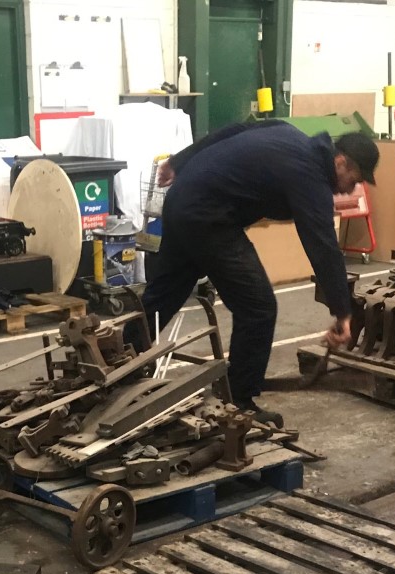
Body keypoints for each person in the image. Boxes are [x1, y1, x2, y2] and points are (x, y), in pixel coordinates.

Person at [141, 121, 379, 424]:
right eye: (354, 179)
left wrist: (180, 161)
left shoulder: (288, 132)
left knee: (166, 293)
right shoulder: (310, 176)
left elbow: (230, 130)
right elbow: (323, 246)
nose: (352, 188)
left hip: (183, 198)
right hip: (208, 216)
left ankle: (119, 364)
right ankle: (239, 401)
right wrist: (343, 312)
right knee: (258, 307)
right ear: (340, 162)